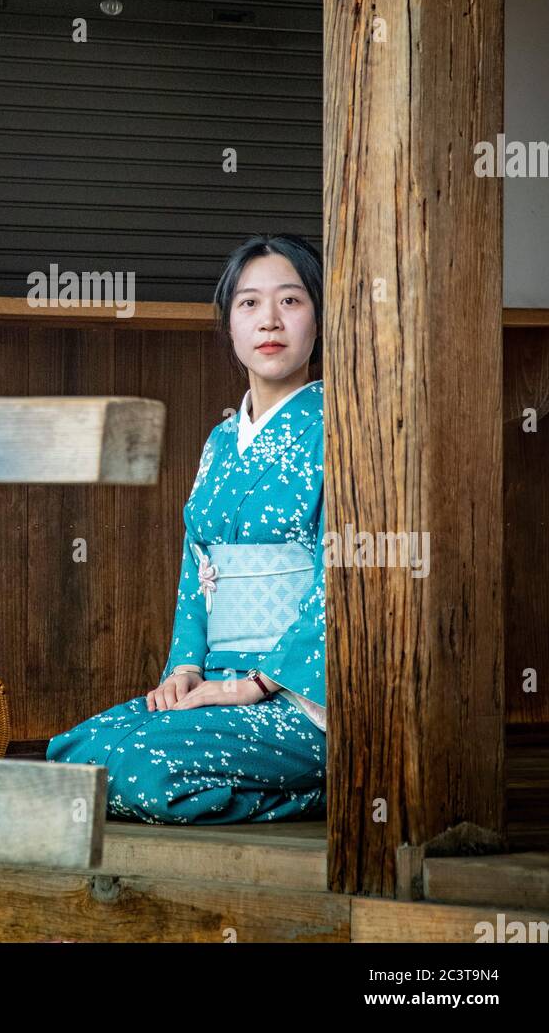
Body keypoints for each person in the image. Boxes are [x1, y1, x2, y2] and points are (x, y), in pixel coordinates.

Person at [45, 234, 327, 824]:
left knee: (142, 765)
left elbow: (345, 578)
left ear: (319, 317)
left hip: (303, 696)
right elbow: (198, 572)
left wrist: (259, 683)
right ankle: (294, 792)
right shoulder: (221, 442)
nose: (269, 320)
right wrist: (185, 669)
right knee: (72, 753)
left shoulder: (341, 426)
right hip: (218, 685)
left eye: (291, 301)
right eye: (249, 304)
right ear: (229, 325)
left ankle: (321, 778)